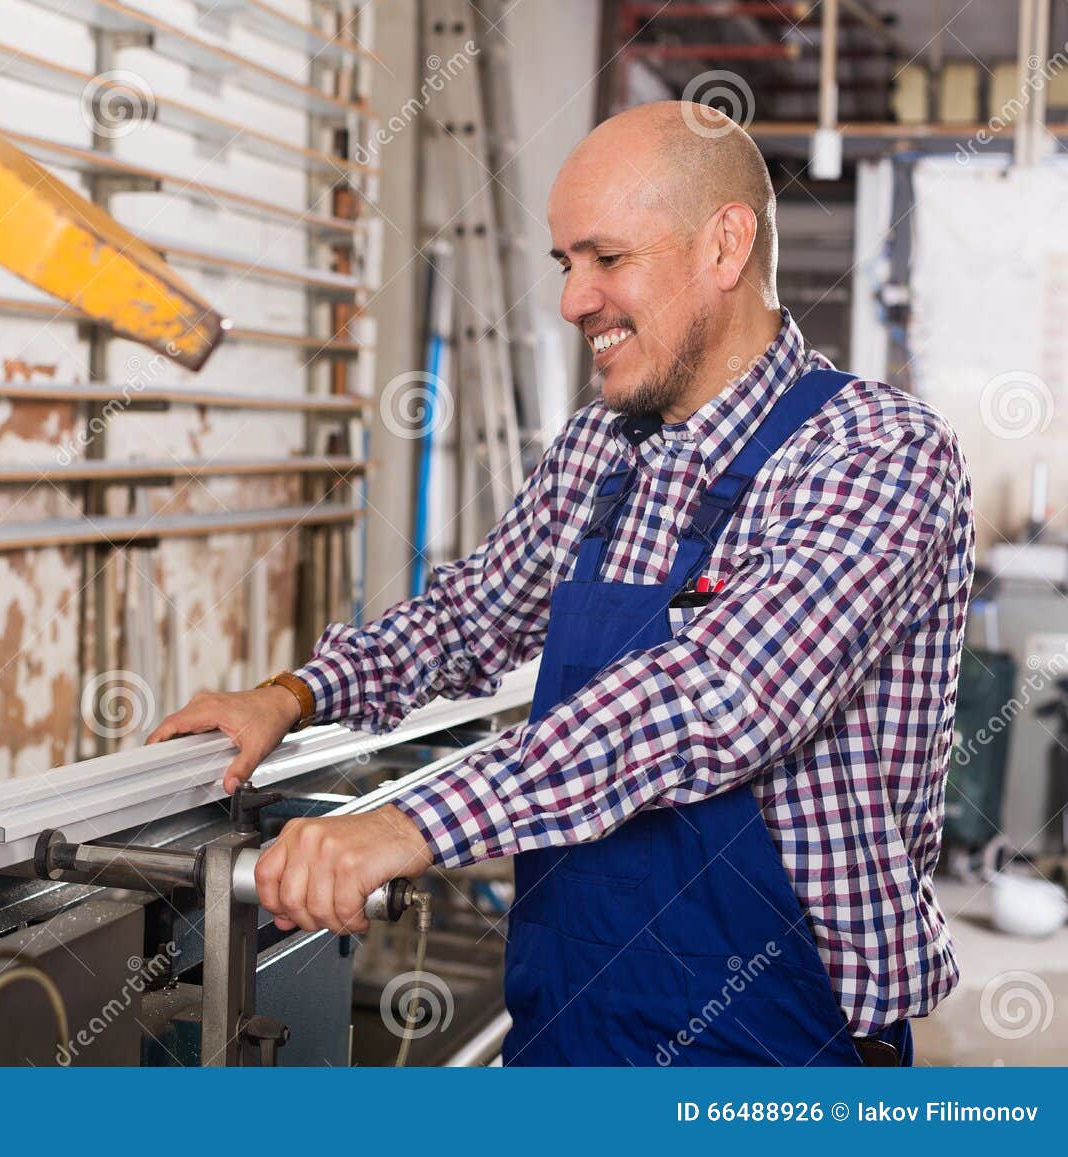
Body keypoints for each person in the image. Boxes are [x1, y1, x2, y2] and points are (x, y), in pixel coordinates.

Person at [146, 101, 974, 1066]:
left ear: (727, 243)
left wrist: (408, 822)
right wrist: (292, 695)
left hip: (774, 1047)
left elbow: (715, 699)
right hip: (571, 1023)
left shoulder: (879, 452)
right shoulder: (598, 449)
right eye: (564, 265)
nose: (575, 301)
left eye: (606, 258)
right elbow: (472, 616)